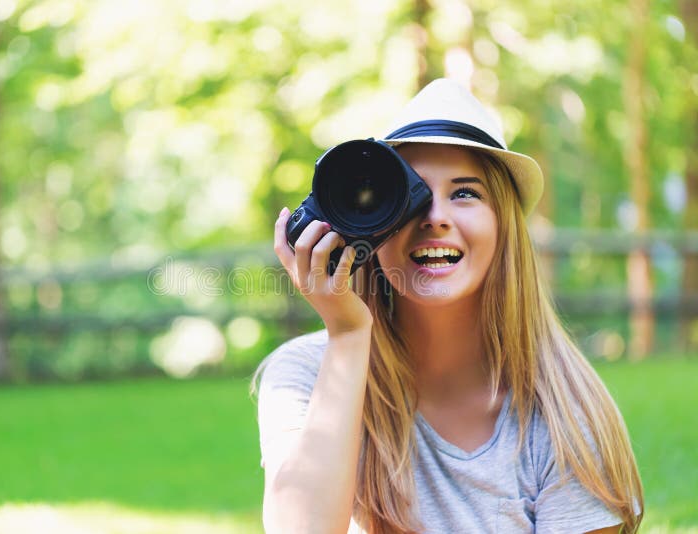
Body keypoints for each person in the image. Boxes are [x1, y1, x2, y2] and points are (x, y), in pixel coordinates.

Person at [254, 78, 643, 534]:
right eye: (411, 196)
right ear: (372, 227)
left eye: (464, 193)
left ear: (504, 227)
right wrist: (347, 335)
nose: (435, 216)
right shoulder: (302, 375)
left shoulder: (563, 411)